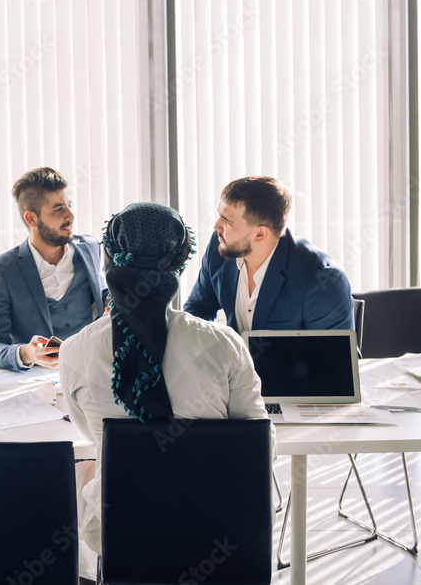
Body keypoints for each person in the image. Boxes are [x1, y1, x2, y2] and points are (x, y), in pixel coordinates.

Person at [58, 202, 270, 583]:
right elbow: (255, 444)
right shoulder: (224, 344)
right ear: (179, 263)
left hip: (123, 532)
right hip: (219, 532)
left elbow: (96, 436)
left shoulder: (76, 350)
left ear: (111, 260)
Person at [183, 176, 353, 332]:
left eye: (227, 221)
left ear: (260, 234)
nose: (216, 227)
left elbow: (337, 361)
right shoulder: (221, 246)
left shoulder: (321, 281)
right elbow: (198, 309)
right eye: (219, 215)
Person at [0, 168, 107, 371]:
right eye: (58, 209)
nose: (71, 216)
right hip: (33, 385)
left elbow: (102, 298)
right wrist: (26, 353)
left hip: (90, 373)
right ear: (32, 219)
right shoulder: (2, 270)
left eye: (69, 205)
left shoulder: (91, 248)